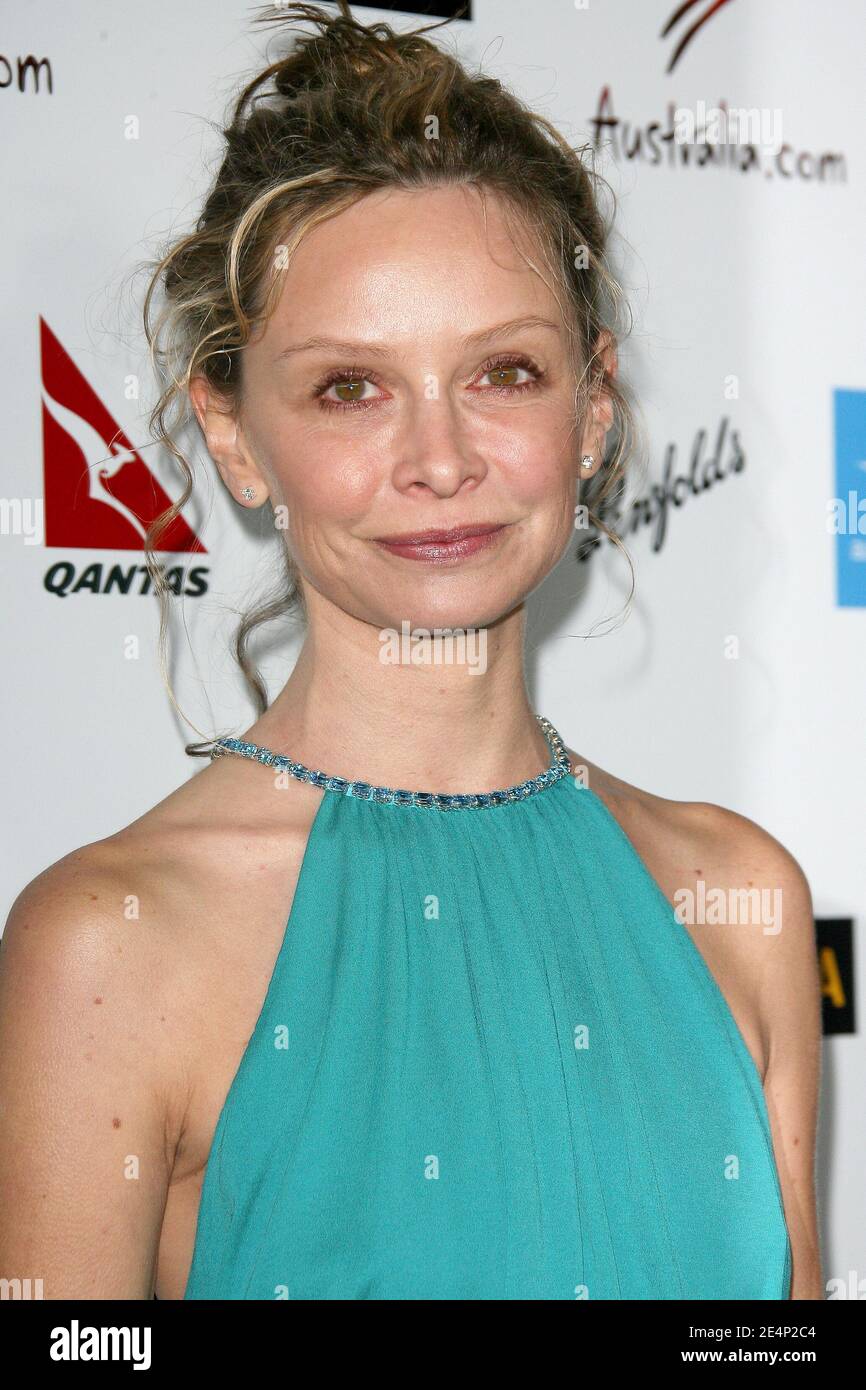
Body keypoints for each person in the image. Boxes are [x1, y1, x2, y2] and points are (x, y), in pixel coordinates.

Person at [0, 1, 822, 1300]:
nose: (440, 461)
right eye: (350, 386)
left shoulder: (741, 900)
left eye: (503, 372)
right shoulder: (111, 943)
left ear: (593, 408)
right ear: (230, 431)